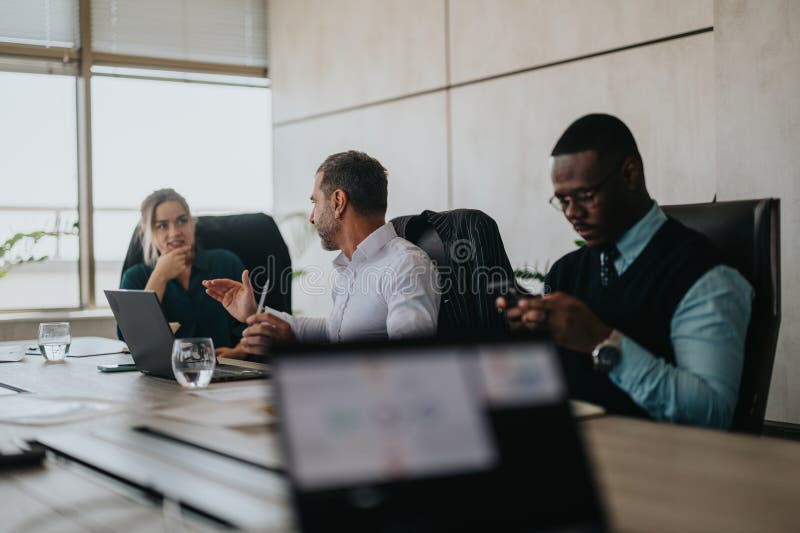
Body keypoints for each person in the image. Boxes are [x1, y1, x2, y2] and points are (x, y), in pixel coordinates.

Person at [497, 114, 753, 429]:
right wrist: (526, 348)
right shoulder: (565, 273)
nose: (573, 214)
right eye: (563, 201)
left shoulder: (705, 276)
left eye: (585, 197)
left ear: (630, 174)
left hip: (662, 465)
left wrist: (602, 341)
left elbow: (711, 415)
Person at [203, 150, 440, 354]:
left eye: (315, 202)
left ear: (338, 202)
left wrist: (294, 349)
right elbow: (333, 331)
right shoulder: (353, 266)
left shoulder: (405, 265)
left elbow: (411, 361)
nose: (311, 217)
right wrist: (257, 313)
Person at [120, 188, 247, 357]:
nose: (175, 232)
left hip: (225, 370)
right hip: (163, 375)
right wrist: (160, 277)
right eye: (162, 225)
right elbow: (132, 340)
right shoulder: (134, 277)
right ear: (148, 232)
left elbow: (252, 326)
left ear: (192, 223)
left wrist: (240, 352)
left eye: (181, 221)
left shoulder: (226, 263)